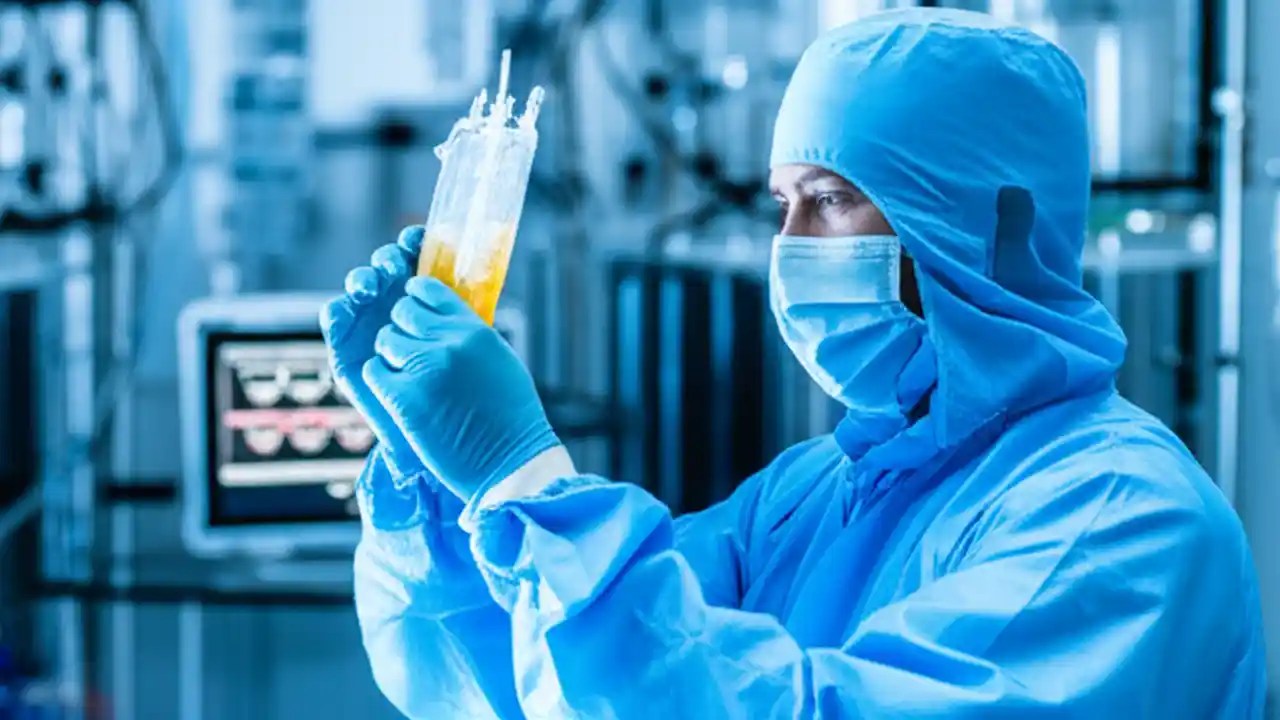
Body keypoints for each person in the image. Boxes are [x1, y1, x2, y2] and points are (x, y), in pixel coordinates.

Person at [323, 8, 1265, 719]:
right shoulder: (815, 494)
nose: (790, 245)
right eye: (781, 205)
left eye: (830, 199)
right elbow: (513, 685)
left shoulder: (1122, 520)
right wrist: (439, 479)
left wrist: (523, 476)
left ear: (992, 226)